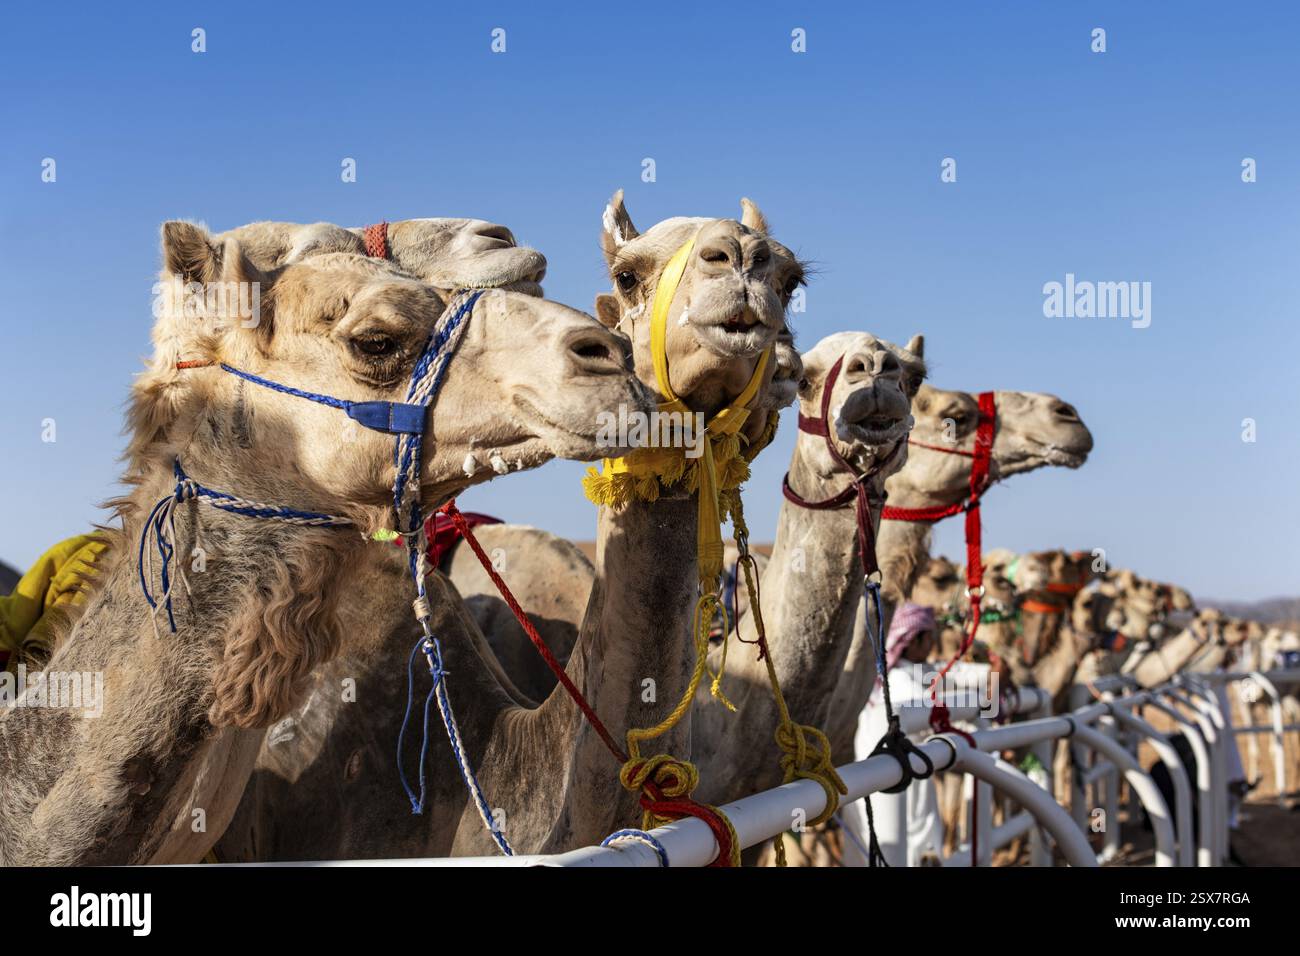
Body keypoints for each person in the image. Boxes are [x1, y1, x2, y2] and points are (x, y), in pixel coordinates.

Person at [840, 602, 946, 866]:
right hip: (902, 795)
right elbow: (942, 720)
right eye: (928, 636)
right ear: (912, 639)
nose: (933, 643)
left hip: (867, 787)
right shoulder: (904, 684)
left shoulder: (880, 684)